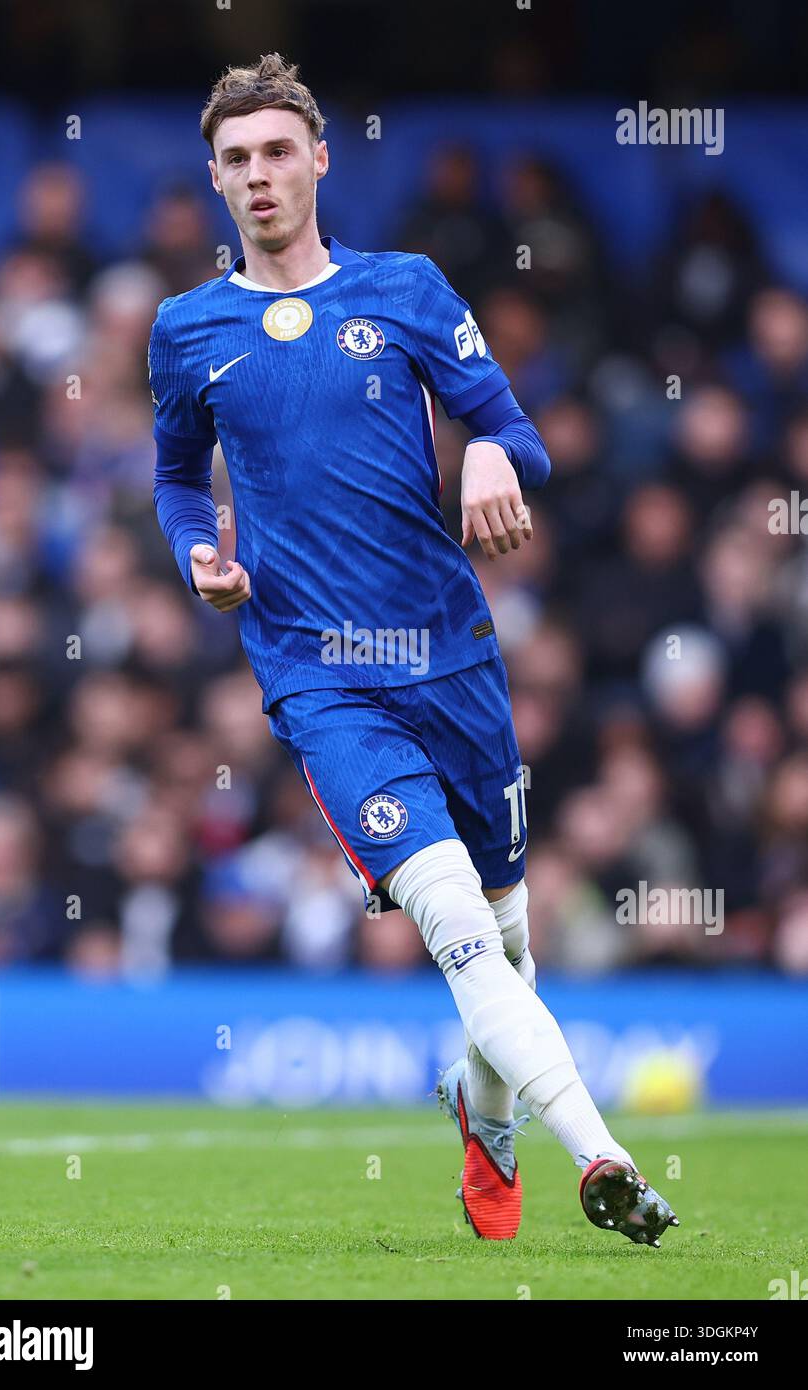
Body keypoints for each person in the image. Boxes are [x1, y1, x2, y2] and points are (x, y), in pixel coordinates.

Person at [149, 52, 678, 1245]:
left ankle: (481, 1133)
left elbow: (516, 433)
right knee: (452, 930)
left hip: (452, 662)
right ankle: (603, 1157)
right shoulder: (187, 332)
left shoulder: (406, 289)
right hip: (319, 677)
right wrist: (197, 554)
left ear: (320, 158)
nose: (259, 176)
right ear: (215, 182)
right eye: (235, 160)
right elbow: (178, 478)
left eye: (278, 151)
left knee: (503, 944)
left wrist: (491, 452)